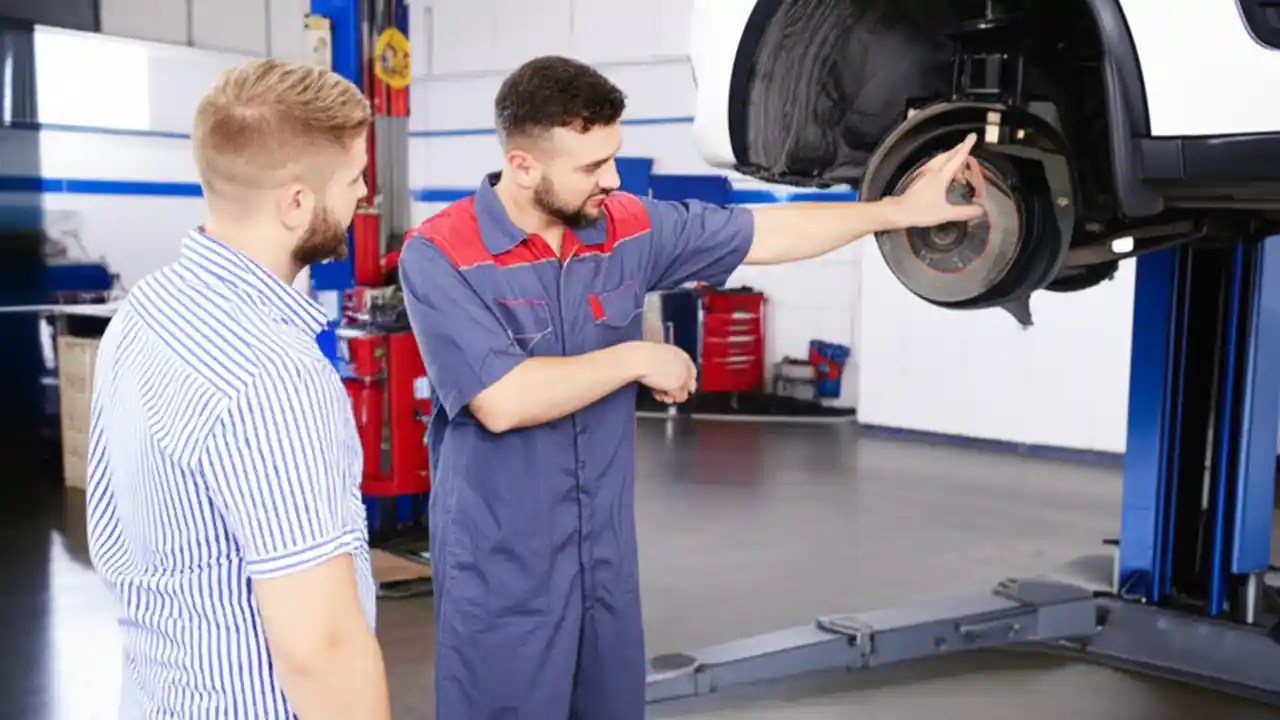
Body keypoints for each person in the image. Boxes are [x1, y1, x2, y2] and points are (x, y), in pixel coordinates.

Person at [399, 55, 985, 719]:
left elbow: (761, 233)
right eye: (592, 167)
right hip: (503, 576)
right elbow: (502, 400)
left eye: (614, 158)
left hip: (603, 564)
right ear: (524, 165)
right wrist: (635, 358)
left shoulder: (625, 226)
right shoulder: (441, 254)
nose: (613, 179)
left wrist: (894, 211)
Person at [86, 59, 390, 719]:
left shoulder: (146, 311)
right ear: (297, 204)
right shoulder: (272, 375)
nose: (363, 195)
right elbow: (322, 650)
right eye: (354, 178)